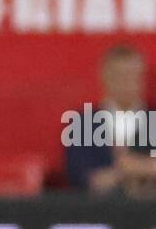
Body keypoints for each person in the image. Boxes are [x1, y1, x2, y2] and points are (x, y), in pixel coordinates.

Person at [66, 44, 156, 197]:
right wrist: (124, 171)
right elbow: (81, 176)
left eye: (132, 75)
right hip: (101, 213)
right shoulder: (83, 124)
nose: (127, 83)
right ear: (104, 77)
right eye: (120, 76)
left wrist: (139, 167)